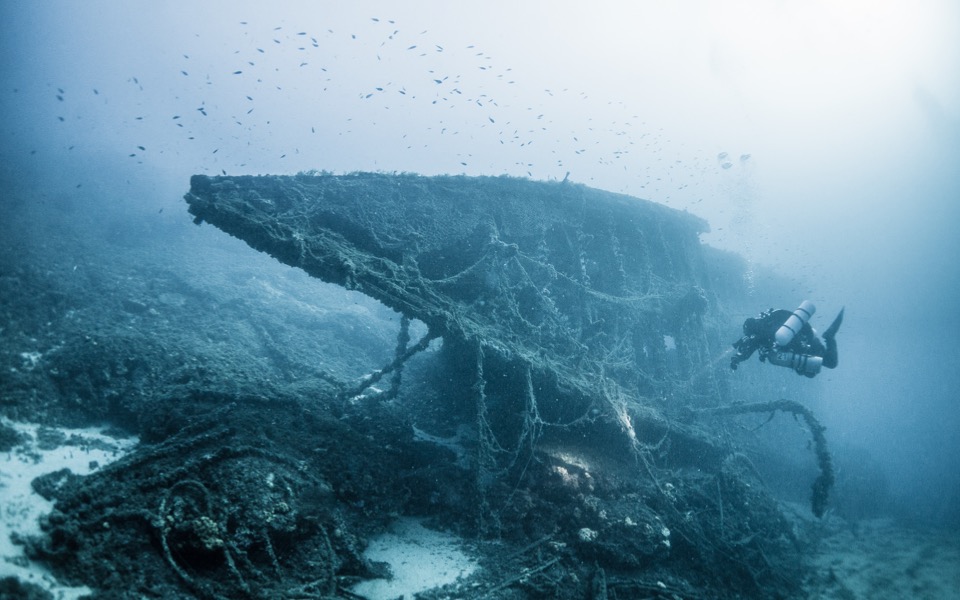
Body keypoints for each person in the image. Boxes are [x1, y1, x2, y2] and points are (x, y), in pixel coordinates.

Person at [730, 303, 844, 378]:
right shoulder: (772, 318)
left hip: (804, 345)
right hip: (807, 342)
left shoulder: (760, 334)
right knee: (826, 365)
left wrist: (737, 358)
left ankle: (829, 336)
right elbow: (797, 319)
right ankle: (829, 337)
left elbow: (748, 349)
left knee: (827, 364)